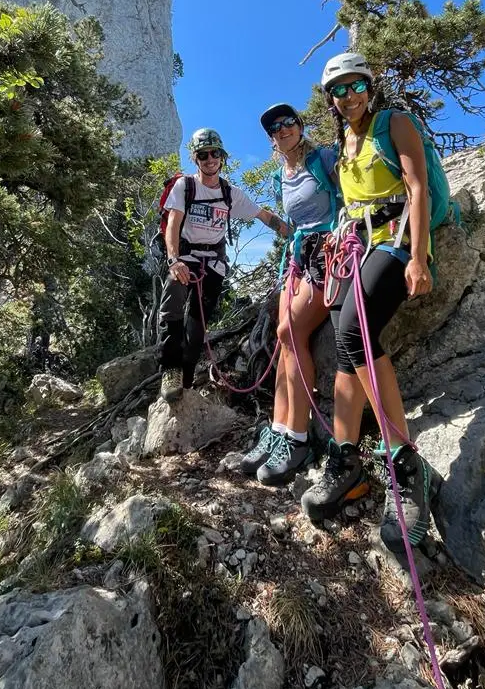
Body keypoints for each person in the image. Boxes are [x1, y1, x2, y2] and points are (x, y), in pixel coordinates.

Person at [300, 52, 441, 553]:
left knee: (352, 332)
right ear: (331, 100)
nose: (349, 96)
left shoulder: (393, 123)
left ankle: (405, 462)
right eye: (339, 90)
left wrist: (419, 257)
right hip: (356, 247)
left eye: (356, 85)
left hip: (396, 243)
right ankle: (345, 459)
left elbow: (417, 185)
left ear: (369, 86)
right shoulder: (344, 143)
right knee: (342, 347)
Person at [240, 104, 351, 488]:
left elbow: (351, 198)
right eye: (275, 126)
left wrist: (340, 236)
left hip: (330, 253)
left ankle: (298, 439)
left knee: (290, 332)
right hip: (300, 257)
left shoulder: (323, 159)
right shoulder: (279, 177)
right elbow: (290, 226)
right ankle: (278, 430)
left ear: (300, 126)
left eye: (289, 122)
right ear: (271, 137)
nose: (283, 128)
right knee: (283, 339)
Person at [159, 127, 288, 403]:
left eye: (214, 153)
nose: (210, 159)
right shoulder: (186, 186)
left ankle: (187, 378)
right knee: (172, 303)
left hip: (214, 265)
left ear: (222, 156)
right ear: (196, 159)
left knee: (196, 326)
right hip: (187, 258)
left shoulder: (230, 193)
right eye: (203, 155)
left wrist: (290, 232)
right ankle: (170, 370)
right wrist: (173, 260)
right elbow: (173, 224)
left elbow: (263, 215)